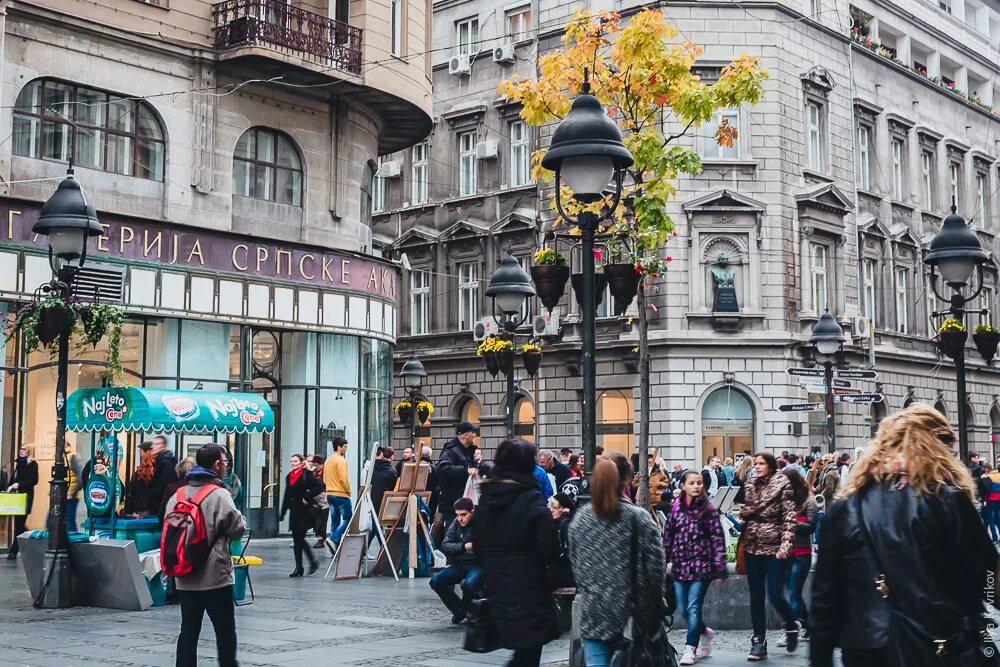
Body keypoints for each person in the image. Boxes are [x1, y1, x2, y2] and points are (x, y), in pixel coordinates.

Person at [811, 405, 997, 667]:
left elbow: (824, 601)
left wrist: (820, 659)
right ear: (934, 447)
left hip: (866, 648)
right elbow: (988, 575)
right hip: (938, 645)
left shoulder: (845, 508)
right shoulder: (946, 501)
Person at [569, 452, 667, 667]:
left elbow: (576, 567)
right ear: (627, 480)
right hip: (634, 619)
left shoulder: (580, 520)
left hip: (593, 614)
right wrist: (658, 608)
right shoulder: (639, 519)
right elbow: (656, 572)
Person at [472, 438, 560, 667]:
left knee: (523, 652)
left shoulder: (488, 497)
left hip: (496, 582)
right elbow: (547, 546)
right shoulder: (531, 498)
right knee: (529, 651)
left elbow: (478, 545)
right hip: (529, 583)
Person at [170, 444, 246, 667]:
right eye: (225, 462)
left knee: (188, 632)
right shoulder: (219, 494)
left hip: (184, 575)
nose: (225, 466)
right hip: (215, 577)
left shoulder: (179, 494)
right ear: (217, 465)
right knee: (224, 630)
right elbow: (237, 529)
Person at [662, 469, 727, 665]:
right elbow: (668, 537)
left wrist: (720, 567)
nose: (696, 486)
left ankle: (690, 648)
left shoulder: (708, 510)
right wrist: (663, 561)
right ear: (682, 486)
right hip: (681, 567)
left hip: (702, 567)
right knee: (683, 609)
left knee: (693, 607)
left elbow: (717, 539)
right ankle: (705, 631)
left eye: (699, 483)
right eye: (691, 483)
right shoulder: (675, 510)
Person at [739, 452, 799, 660]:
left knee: (775, 594)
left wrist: (786, 545)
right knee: (756, 597)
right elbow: (747, 510)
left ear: (771, 466)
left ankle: (791, 624)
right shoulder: (750, 484)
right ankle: (758, 641)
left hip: (775, 548)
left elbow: (789, 517)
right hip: (752, 545)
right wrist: (744, 514)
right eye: (755, 463)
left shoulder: (783, 484)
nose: (756, 467)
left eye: (761, 463)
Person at [778, 468, 816, 646]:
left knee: (793, 593)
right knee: (794, 593)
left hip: (801, 553)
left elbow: (810, 527)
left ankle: (790, 629)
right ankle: (809, 625)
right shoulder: (783, 499)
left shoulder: (809, 501)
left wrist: (792, 521)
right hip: (786, 553)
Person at [429, 497, 481, 623]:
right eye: (457, 515)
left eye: (464, 515)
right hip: (460, 564)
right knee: (435, 581)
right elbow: (445, 545)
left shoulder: (480, 524)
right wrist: (463, 547)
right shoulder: (456, 523)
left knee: (469, 584)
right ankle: (460, 609)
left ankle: (469, 610)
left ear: (472, 512)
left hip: (477, 564)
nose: (460, 518)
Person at [281, 453, 322, 577]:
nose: (293, 463)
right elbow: (287, 495)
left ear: (301, 462)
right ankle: (303, 565)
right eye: (292, 461)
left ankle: (303, 565)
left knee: (299, 537)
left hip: (304, 509)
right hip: (294, 510)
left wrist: (307, 497)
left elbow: (318, 487)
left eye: (295, 461)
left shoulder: (306, 475)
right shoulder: (289, 477)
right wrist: (283, 512)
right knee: (297, 539)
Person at [436, 422, 480, 528]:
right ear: (465, 435)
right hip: (453, 507)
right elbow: (443, 469)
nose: (475, 435)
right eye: (473, 433)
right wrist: (466, 471)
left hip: (467, 506)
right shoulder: (450, 451)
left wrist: (478, 463)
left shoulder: (470, 451)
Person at [5, 444, 38, 560]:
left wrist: (19, 484)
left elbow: (34, 480)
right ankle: (31, 537)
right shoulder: (19, 463)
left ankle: (14, 550)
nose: (21, 451)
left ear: (29, 451)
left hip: (25, 497)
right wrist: (8, 487)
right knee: (18, 525)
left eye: (24, 449)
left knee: (19, 524)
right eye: (21, 449)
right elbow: (14, 479)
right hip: (16, 497)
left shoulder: (32, 464)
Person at [323, 436, 351, 549]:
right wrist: (349, 491)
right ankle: (334, 538)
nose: (346, 449)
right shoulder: (341, 460)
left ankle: (335, 546)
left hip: (330, 494)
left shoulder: (328, 460)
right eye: (345, 447)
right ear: (339, 447)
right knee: (348, 519)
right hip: (341, 494)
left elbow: (325, 478)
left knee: (335, 521)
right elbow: (343, 479)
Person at [549, 492, 575, 589]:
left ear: (564, 509)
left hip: (565, 574)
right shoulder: (554, 522)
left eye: (555, 508)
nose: (551, 510)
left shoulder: (566, 524)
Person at [148, 435, 178, 518]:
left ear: (164, 446)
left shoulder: (166, 463)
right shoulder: (161, 461)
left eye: (157, 444)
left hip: (161, 504)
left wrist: (153, 493)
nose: (152, 447)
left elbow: (164, 484)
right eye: (153, 444)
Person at [160, 457, 196, 522]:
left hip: (176, 525)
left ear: (178, 471)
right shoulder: (199, 487)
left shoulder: (171, 487)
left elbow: (163, 510)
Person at [126, 447, 157, 516]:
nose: (139, 453)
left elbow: (132, 492)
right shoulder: (157, 473)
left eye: (140, 451)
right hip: (152, 509)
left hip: (138, 509)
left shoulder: (137, 474)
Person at [370, 446, 398, 517]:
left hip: (373, 499)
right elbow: (394, 486)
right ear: (392, 456)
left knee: (374, 523)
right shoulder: (391, 470)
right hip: (386, 501)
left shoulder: (373, 467)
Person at [308, 455, 328, 548]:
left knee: (322, 519)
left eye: (316, 465)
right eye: (314, 464)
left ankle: (321, 538)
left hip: (324, 499)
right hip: (315, 499)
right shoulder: (314, 473)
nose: (315, 467)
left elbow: (322, 485)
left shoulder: (325, 472)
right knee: (316, 517)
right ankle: (320, 537)